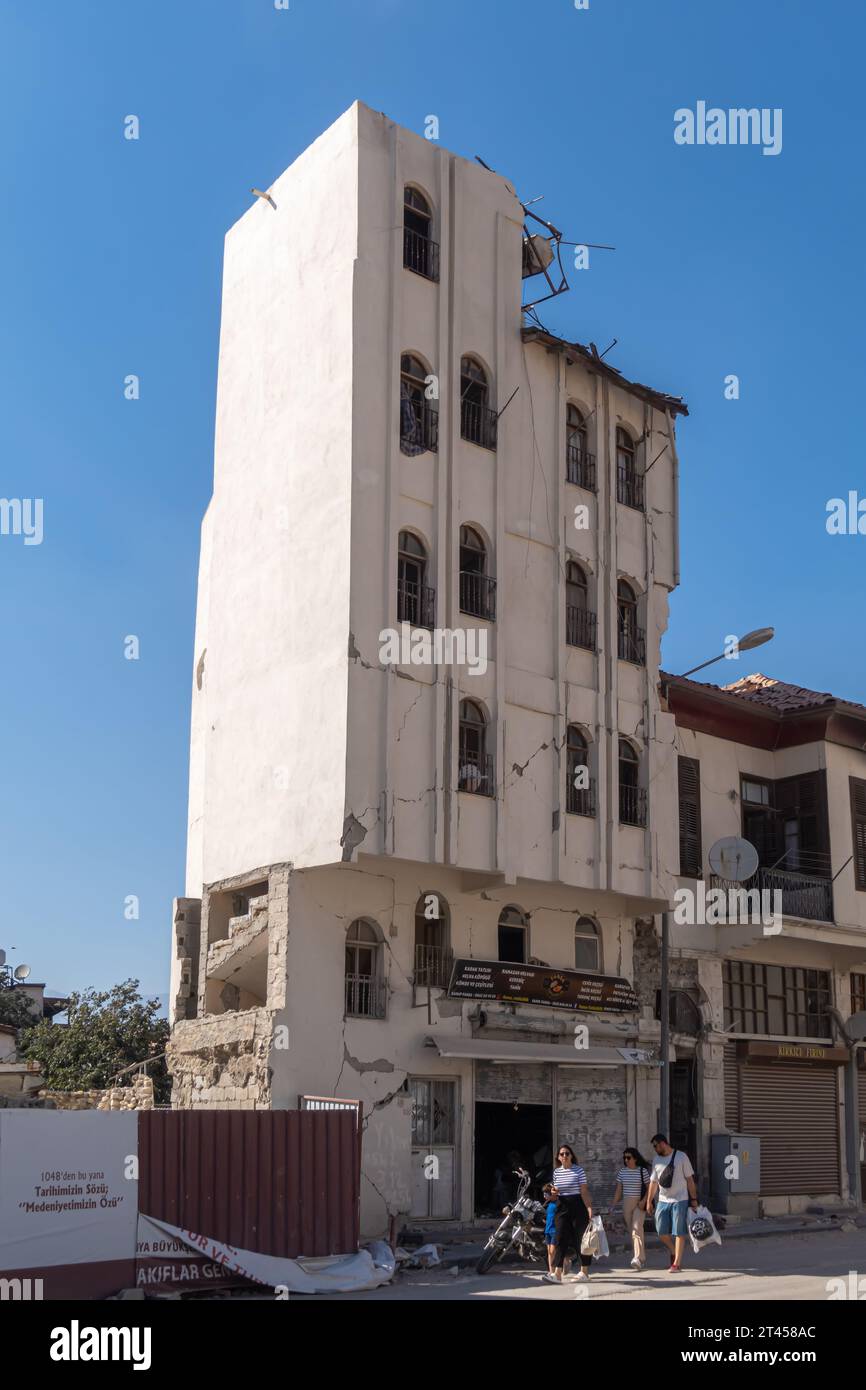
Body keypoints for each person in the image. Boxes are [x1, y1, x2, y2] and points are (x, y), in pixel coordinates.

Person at [645, 1132, 698, 1272]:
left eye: (656, 1146)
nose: (655, 1149)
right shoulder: (656, 1159)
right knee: (661, 1231)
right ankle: (674, 1250)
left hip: (680, 1199)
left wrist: (694, 1200)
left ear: (663, 1144)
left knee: (678, 1232)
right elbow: (653, 1182)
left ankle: (676, 1264)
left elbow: (690, 1180)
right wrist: (649, 1201)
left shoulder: (681, 1157)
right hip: (663, 1200)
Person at [544, 1143, 593, 1283]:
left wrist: (589, 1209)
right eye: (561, 1154)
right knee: (559, 1238)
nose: (564, 1156)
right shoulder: (557, 1172)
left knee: (580, 1240)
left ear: (571, 1156)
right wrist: (553, 1193)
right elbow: (555, 1194)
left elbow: (584, 1192)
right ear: (558, 1157)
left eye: (567, 1153)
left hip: (578, 1205)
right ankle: (557, 1274)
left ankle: (584, 1272)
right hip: (562, 1206)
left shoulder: (579, 1171)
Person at [612, 1147, 651, 1269]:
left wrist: (644, 1201)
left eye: (628, 1157)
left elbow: (650, 1188)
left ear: (635, 1158)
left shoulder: (642, 1171)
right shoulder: (622, 1172)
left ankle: (636, 1258)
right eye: (624, 1158)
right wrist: (613, 1205)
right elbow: (619, 1191)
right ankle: (641, 1258)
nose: (626, 1160)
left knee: (636, 1228)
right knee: (634, 1232)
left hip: (639, 1203)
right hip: (627, 1204)